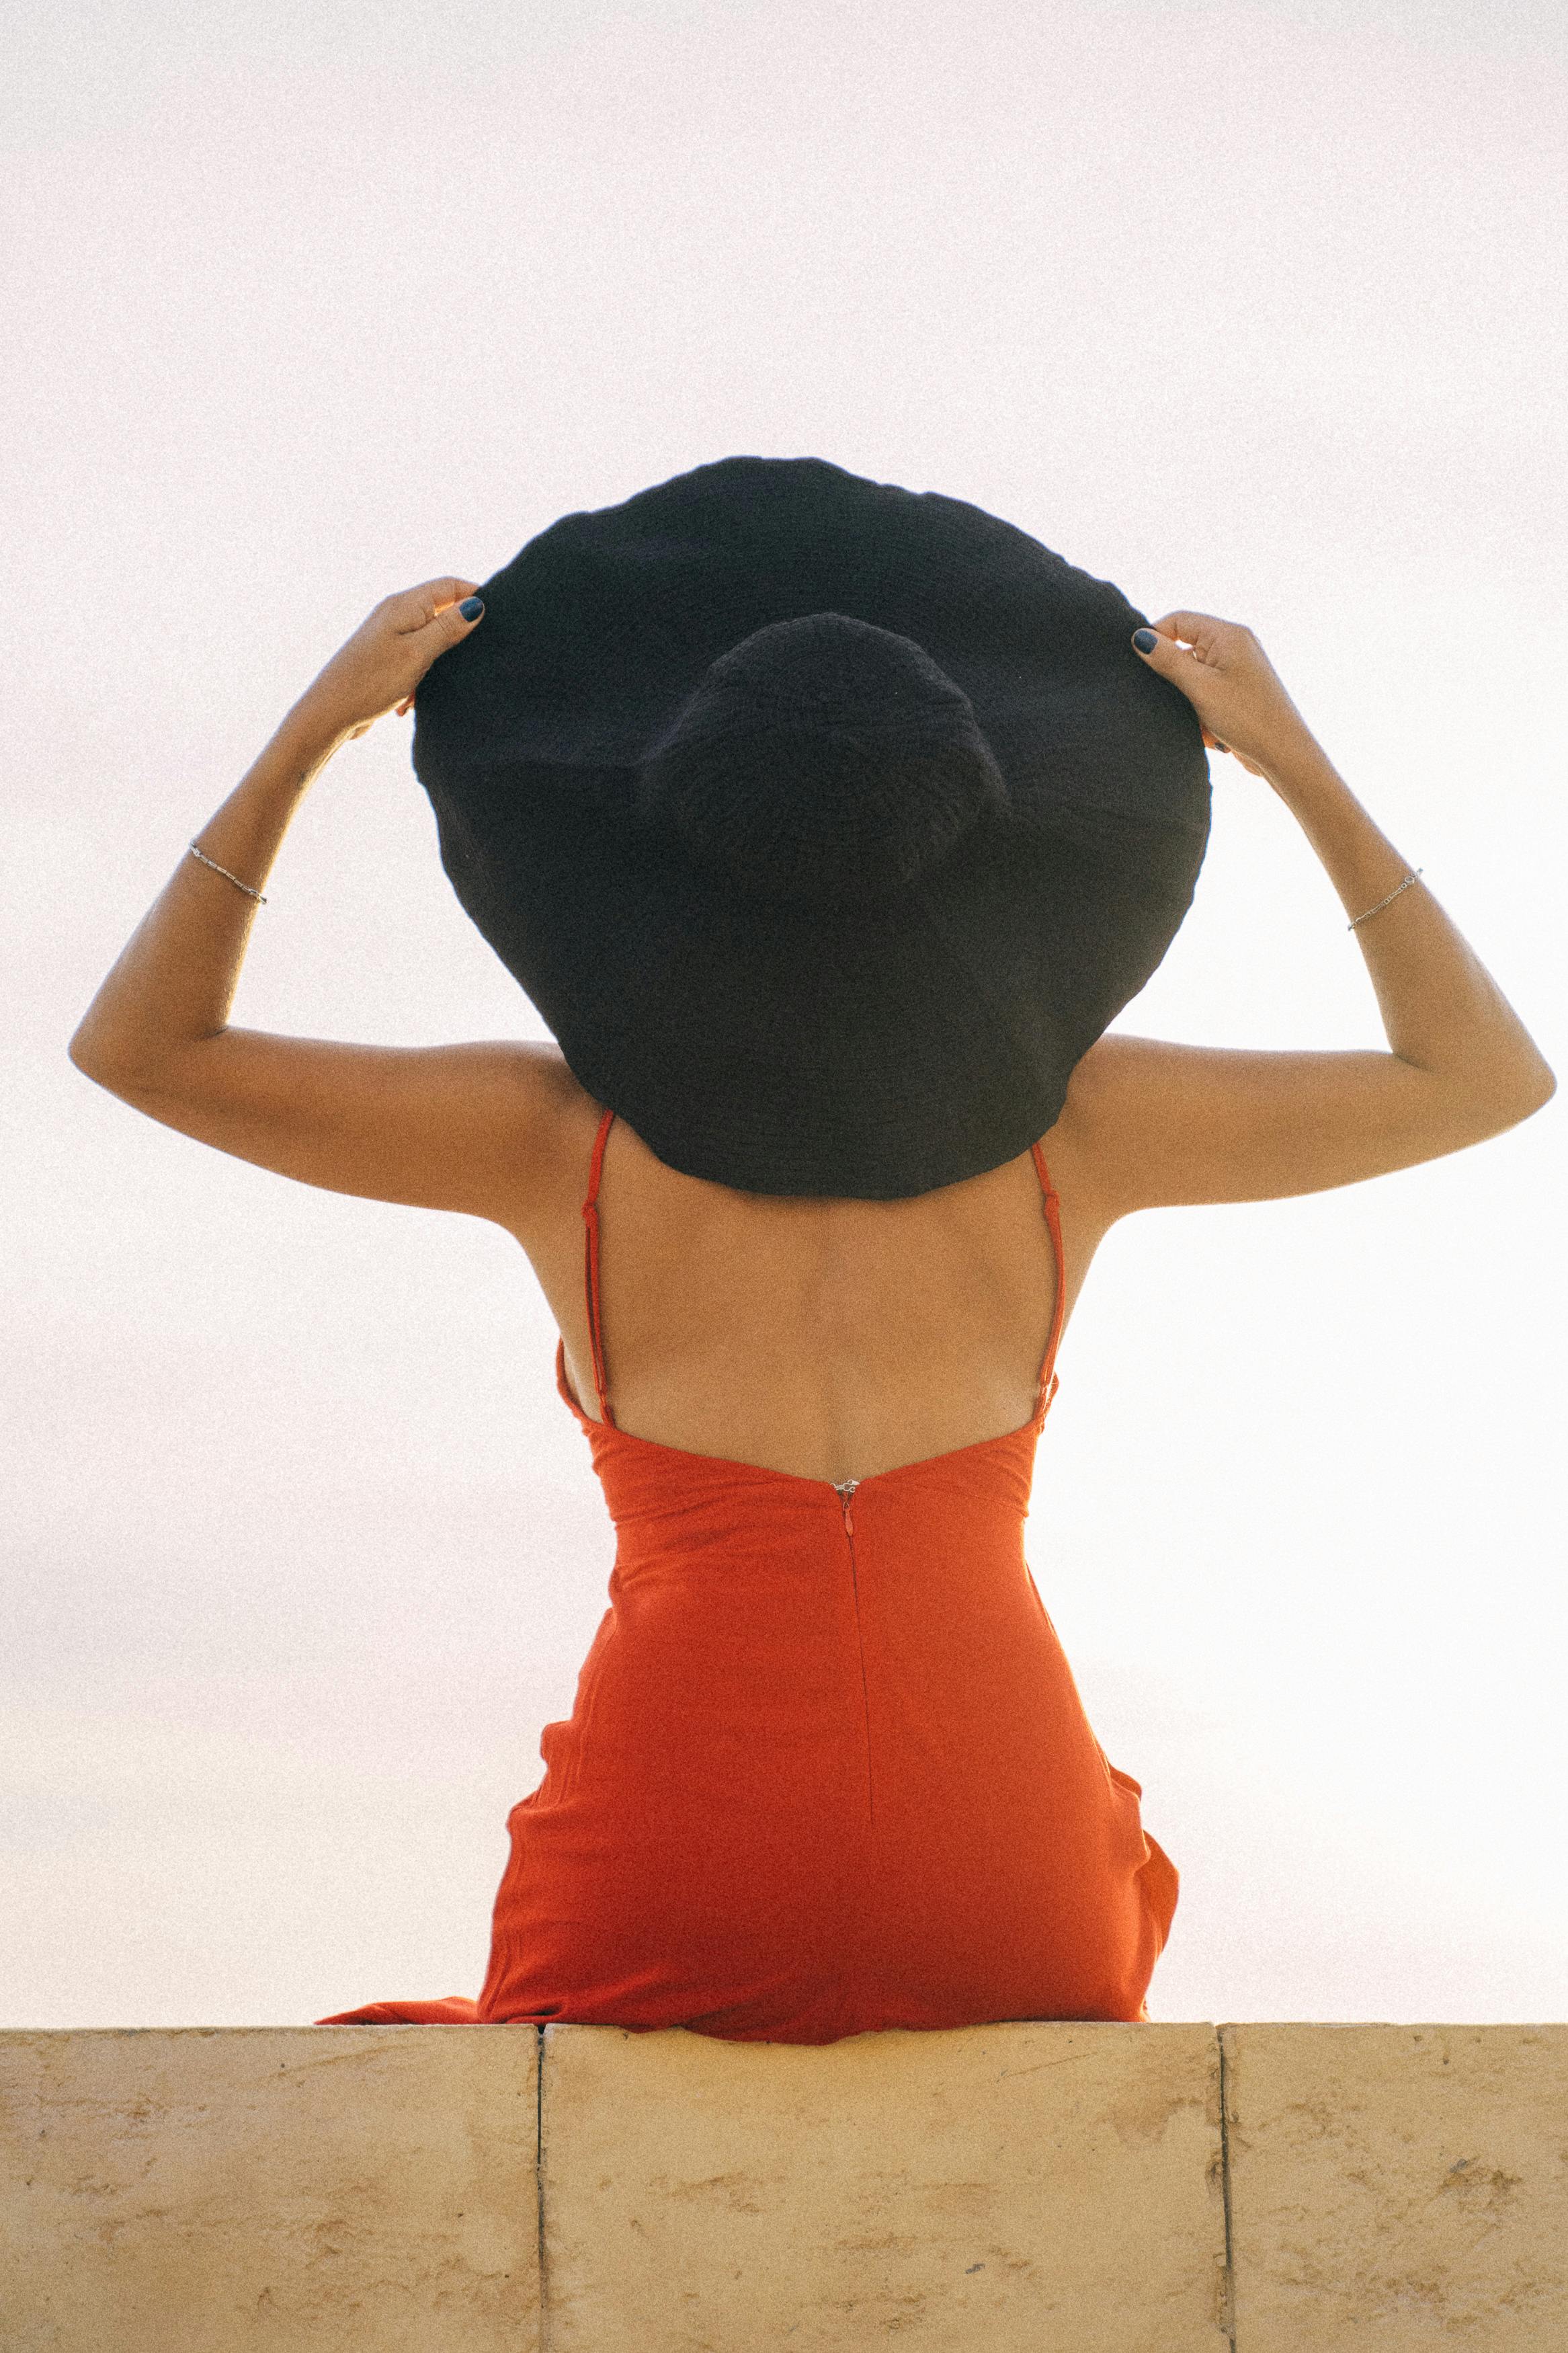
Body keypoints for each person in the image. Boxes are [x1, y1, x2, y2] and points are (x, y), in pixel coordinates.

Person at [70, 566, 1553, 2044]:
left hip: (675, 1845)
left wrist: (316, 731)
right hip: (1002, 1858)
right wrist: (1292, 759)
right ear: (971, 854)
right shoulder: (1078, 1130)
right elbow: (1482, 1078)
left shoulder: (555, 1138)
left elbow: (146, 1046)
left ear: (659, 860)